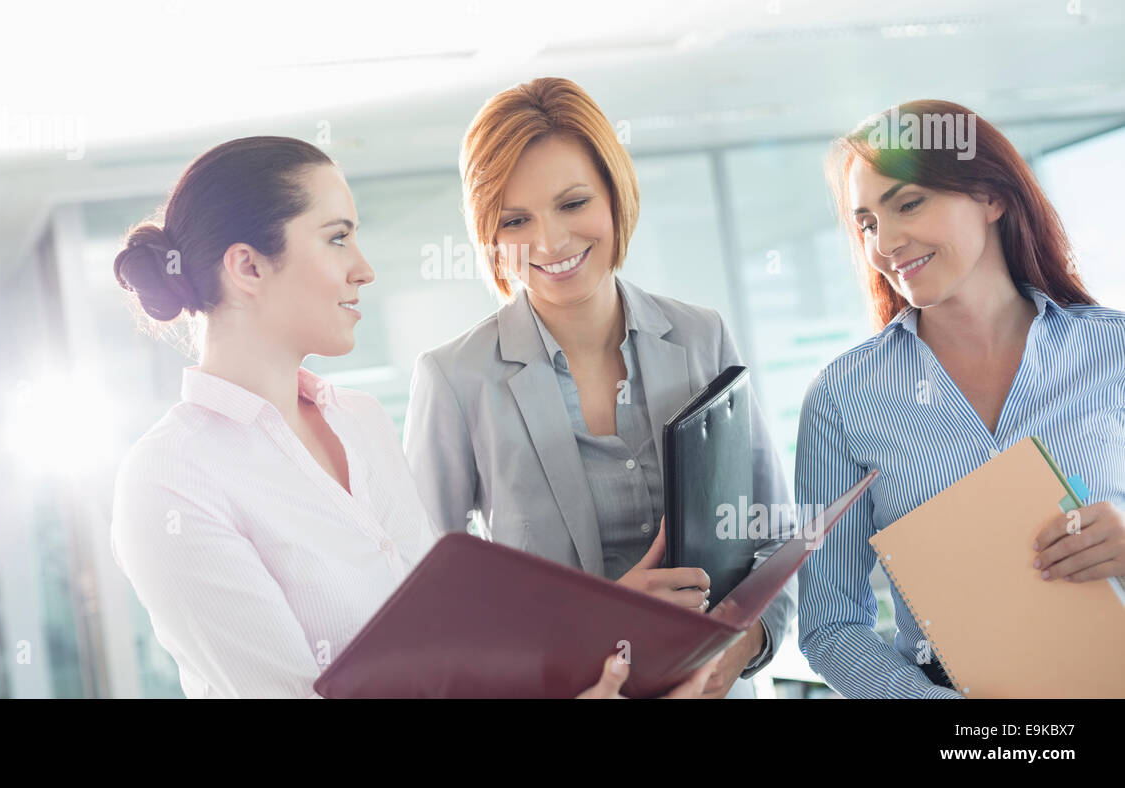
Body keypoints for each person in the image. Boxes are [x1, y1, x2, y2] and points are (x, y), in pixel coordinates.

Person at [109, 135, 724, 698]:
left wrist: (608, 629)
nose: (363, 268)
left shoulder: (359, 420)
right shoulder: (171, 479)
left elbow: (458, 650)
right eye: (336, 237)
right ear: (248, 267)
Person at [403, 78, 795, 698]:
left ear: (615, 194)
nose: (552, 242)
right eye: (515, 219)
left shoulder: (700, 336)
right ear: (488, 234)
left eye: (573, 203)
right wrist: (606, 620)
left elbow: (773, 529)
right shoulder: (456, 379)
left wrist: (742, 646)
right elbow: (431, 609)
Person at [795, 100, 1125, 699]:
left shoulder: (1115, 352)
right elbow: (830, 623)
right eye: (866, 222)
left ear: (992, 197)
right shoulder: (843, 399)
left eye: (909, 203)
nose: (885, 242)